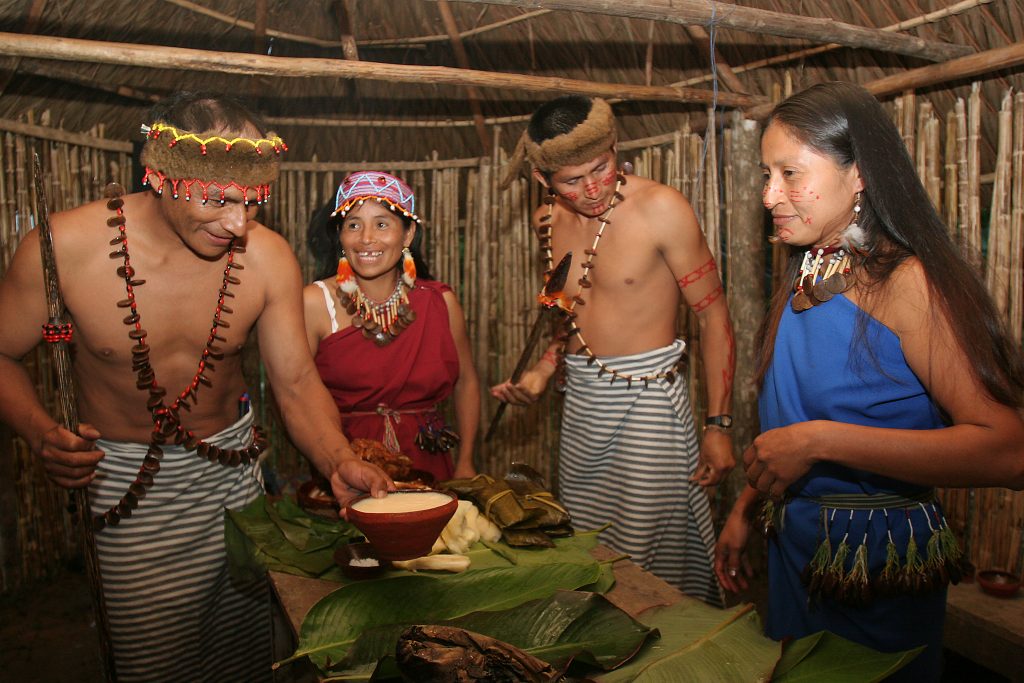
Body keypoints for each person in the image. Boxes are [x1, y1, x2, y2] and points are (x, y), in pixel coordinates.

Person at [0, 93, 393, 682]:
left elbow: (293, 379)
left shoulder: (266, 258)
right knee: (153, 664)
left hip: (235, 480)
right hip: (128, 489)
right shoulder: (63, 252)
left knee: (244, 656)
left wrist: (336, 459)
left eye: (252, 202)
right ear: (160, 177)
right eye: (219, 200)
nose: (238, 223)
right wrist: (38, 432)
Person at [714, 81, 1024, 681]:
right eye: (766, 173)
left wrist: (822, 442)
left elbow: (1009, 449)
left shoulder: (907, 286)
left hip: (873, 564)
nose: (768, 194)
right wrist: (748, 508)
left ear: (859, 175)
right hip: (795, 548)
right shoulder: (809, 269)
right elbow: (791, 427)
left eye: (790, 173)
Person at [490, 96, 736, 605]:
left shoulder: (662, 209)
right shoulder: (550, 221)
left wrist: (719, 425)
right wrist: (542, 370)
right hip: (582, 407)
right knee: (590, 550)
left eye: (601, 168)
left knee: (651, 562)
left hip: (647, 403)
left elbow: (714, 316)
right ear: (543, 180)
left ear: (614, 148)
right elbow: (569, 312)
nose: (593, 187)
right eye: (572, 180)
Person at [303, 171, 481, 482]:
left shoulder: (440, 302)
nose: (366, 238)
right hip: (346, 465)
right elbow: (294, 396)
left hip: (430, 463)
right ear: (341, 237)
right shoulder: (315, 303)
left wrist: (465, 462)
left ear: (408, 234)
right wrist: (328, 466)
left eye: (382, 224)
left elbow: (466, 382)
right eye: (353, 225)